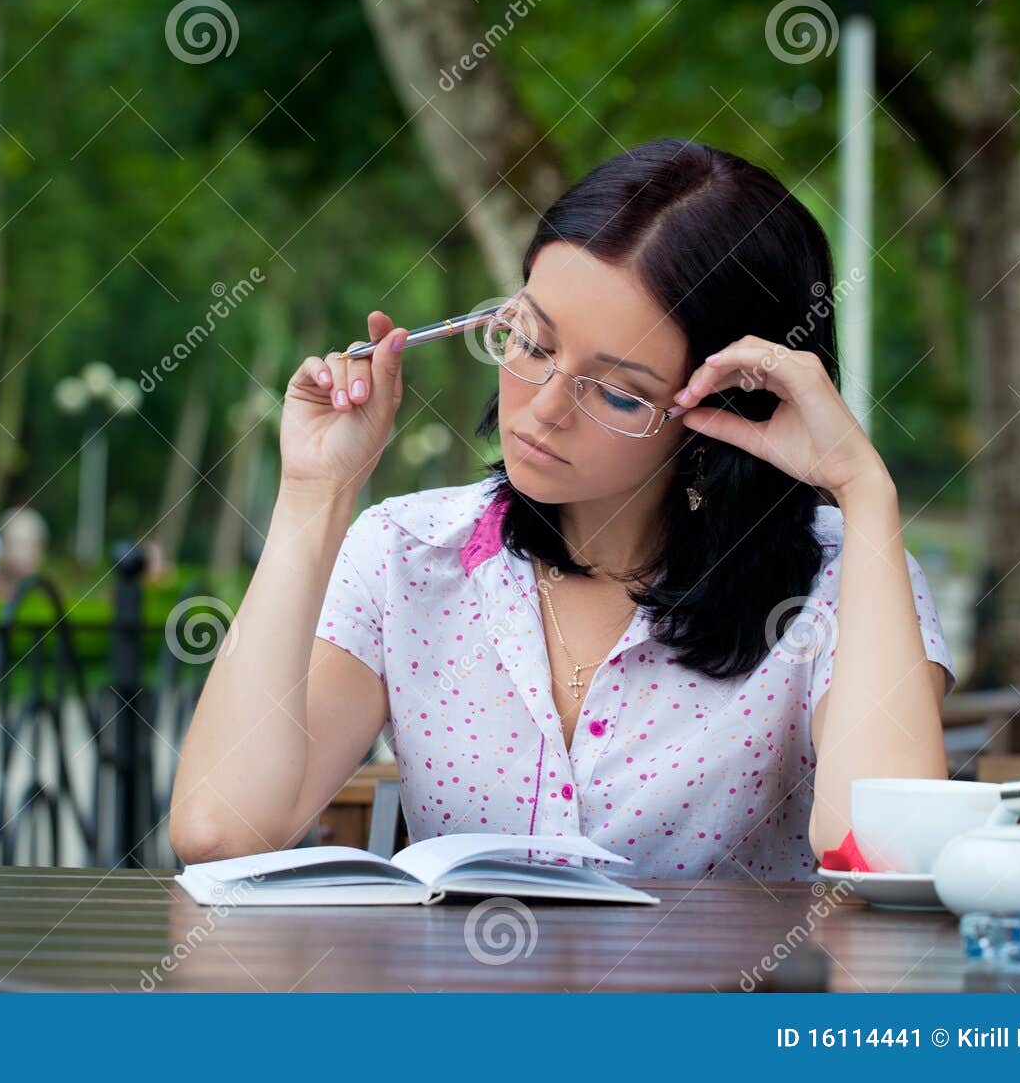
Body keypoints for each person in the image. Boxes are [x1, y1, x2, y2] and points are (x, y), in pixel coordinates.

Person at [170, 138, 955, 880]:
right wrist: (315, 491)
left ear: (728, 405)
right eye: (534, 344)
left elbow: (880, 852)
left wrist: (864, 486)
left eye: (617, 391)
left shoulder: (839, 582)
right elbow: (221, 829)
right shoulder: (408, 557)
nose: (543, 409)